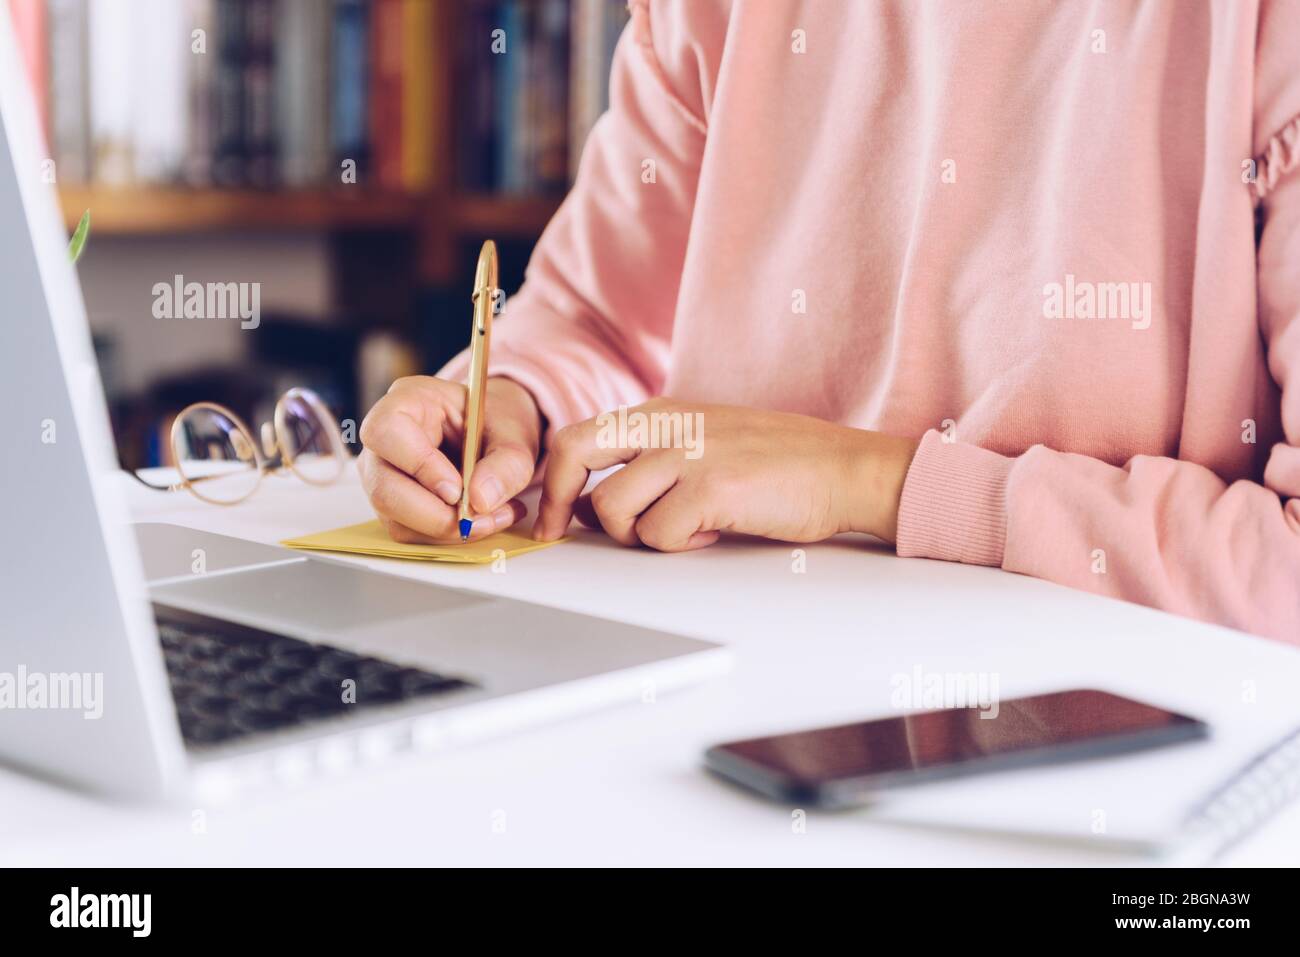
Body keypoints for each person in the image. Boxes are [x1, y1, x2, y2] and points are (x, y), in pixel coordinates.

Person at [358, 0, 1300, 644]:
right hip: (721, 691)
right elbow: (594, 318)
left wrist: (871, 481)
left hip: (1101, 747)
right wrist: (514, 402)